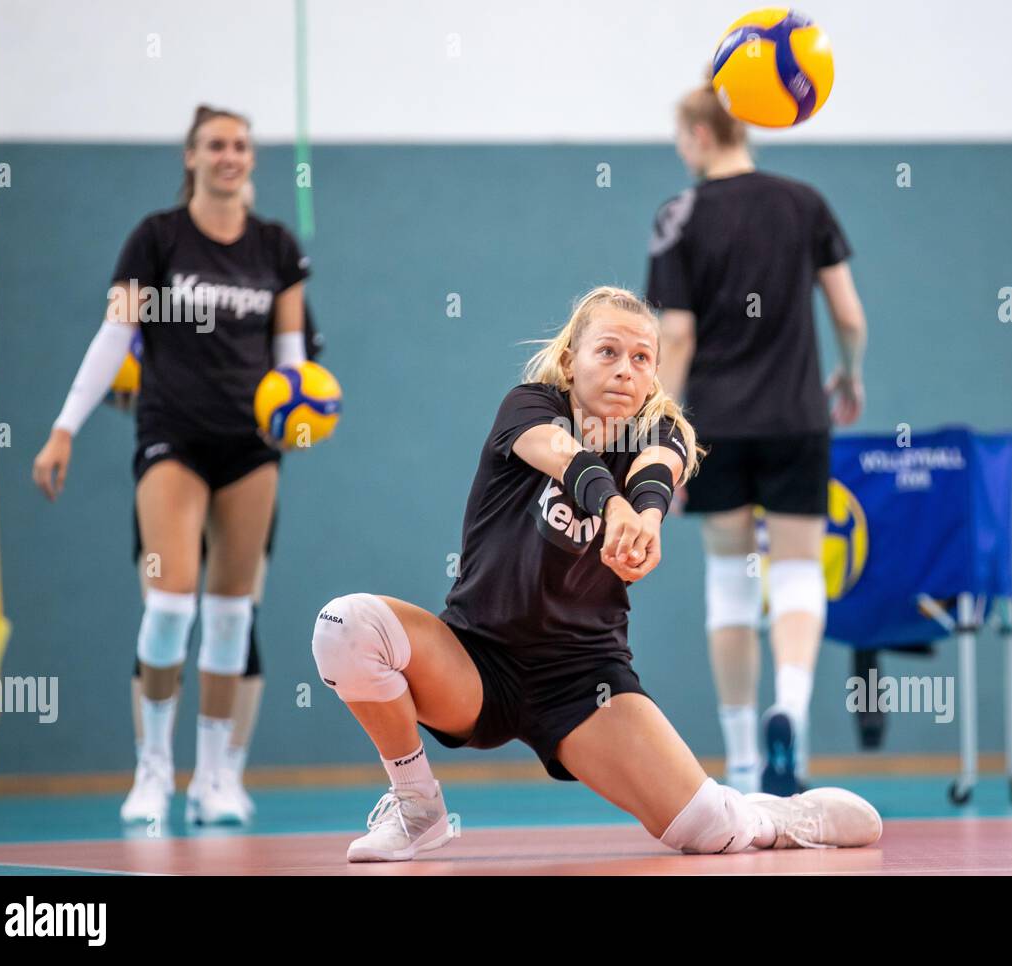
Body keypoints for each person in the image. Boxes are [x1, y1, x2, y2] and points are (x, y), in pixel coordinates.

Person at [310, 286, 880, 861]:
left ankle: (770, 813)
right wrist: (614, 509)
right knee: (346, 625)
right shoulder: (529, 407)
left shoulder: (662, 431)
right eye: (606, 352)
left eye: (641, 358)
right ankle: (416, 808)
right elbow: (562, 454)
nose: (624, 370)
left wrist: (647, 521)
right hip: (476, 659)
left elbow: (660, 469)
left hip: (584, 682)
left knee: (712, 833)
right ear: (570, 361)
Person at [32, 105, 312, 825]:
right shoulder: (157, 239)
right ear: (191, 156)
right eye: (215, 144)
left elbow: (290, 359)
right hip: (172, 437)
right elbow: (114, 333)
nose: (230, 155)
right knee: (167, 604)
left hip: (251, 448)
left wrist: (303, 406)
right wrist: (64, 427)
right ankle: (152, 767)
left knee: (229, 617)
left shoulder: (277, 246)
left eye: (242, 145)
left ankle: (215, 776)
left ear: (253, 158)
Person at [644, 78, 869, 796]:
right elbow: (850, 315)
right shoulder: (804, 203)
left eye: (681, 136)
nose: (680, 150)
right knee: (800, 572)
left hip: (716, 428)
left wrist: (662, 435)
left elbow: (675, 335)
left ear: (702, 135)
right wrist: (850, 375)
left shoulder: (677, 216)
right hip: (798, 418)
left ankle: (742, 760)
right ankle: (791, 715)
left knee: (729, 584)